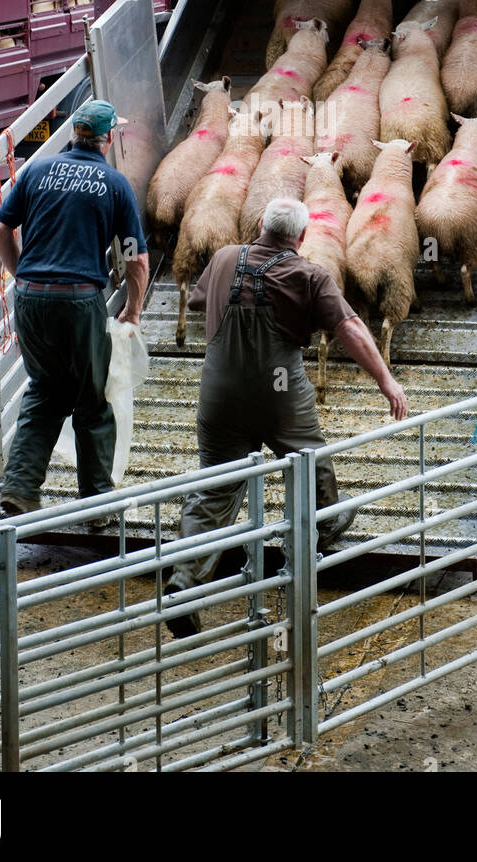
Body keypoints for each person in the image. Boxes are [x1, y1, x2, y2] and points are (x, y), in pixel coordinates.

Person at [164, 195, 408, 637]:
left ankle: (183, 584)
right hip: (278, 391)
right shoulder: (309, 274)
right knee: (310, 461)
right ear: (302, 235)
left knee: (214, 490)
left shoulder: (222, 258)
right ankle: (326, 523)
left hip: (220, 392)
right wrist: (386, 381)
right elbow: (350, 328)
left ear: (260, 223)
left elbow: (200, 303)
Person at [0, 98, 149, 516]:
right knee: (92, 397)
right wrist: (133, 310)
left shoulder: (37, 170)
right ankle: (96, 501)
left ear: (74, 134)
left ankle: (20, 489)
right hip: (78, 300)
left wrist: (22, 271)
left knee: (44, 390)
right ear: (108, 137)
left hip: (30, 299)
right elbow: (135, 257)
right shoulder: (114, 184)